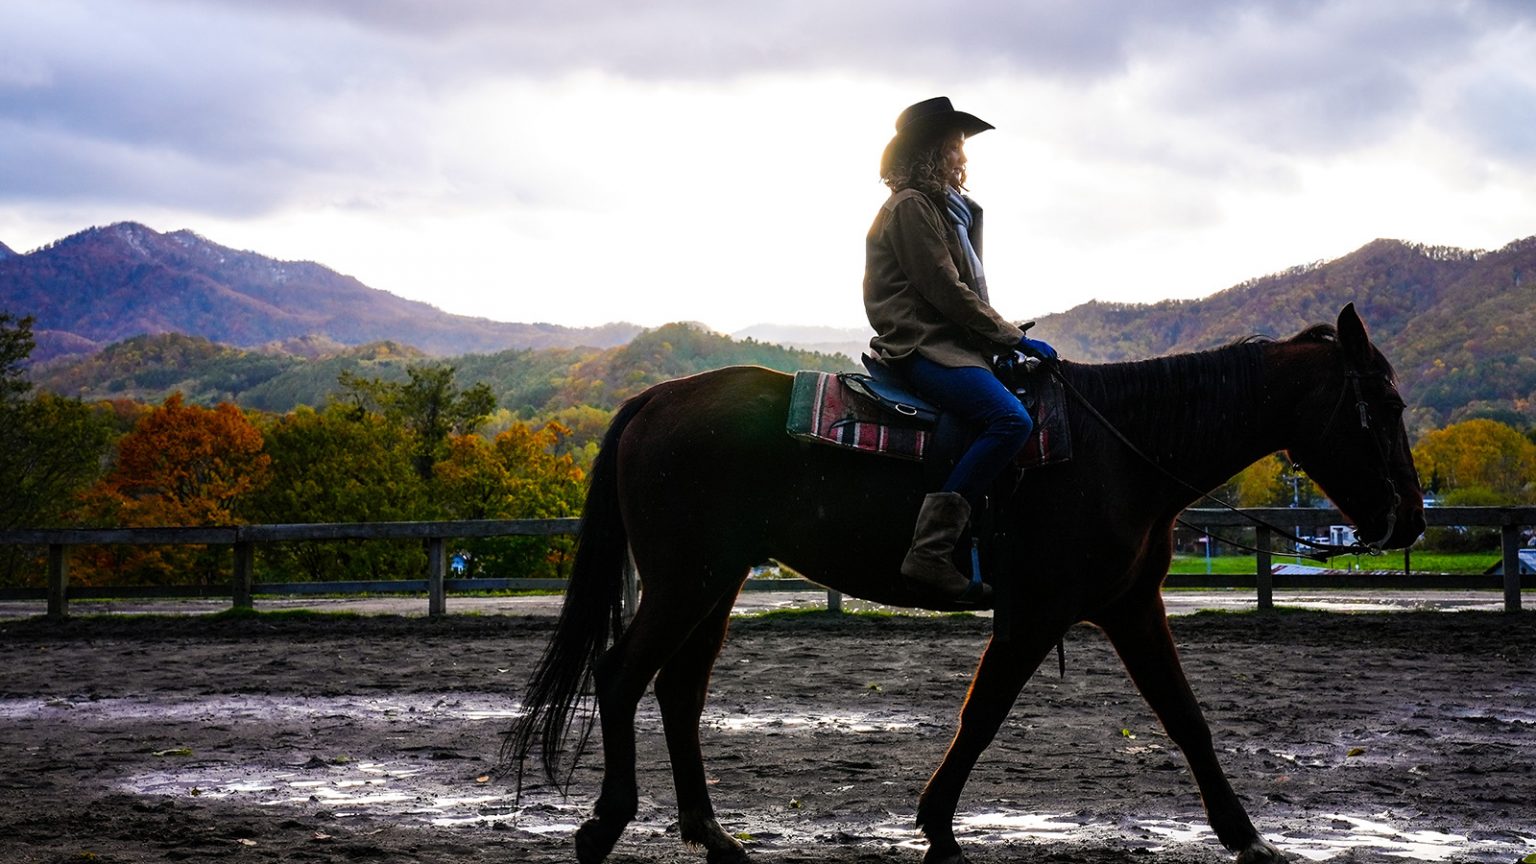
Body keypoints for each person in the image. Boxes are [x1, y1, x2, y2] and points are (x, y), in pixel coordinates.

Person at [863, 96, 1057, 603]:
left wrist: (1000, 341)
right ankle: (930, 551)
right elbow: (945, 290)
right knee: (1010, 420)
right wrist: (1011, 337)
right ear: (929, 152)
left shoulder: (951, 212)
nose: (962, 158)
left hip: (956, 344)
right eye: (953, 147)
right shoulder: (910, 207)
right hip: (922, 345)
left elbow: (968, 291)